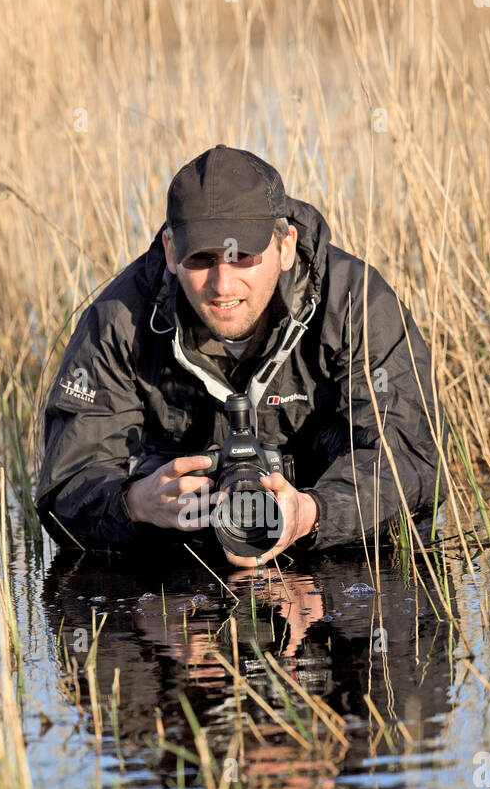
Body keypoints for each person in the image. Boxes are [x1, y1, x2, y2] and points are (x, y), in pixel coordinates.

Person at [35, 144, 442, 568]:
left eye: (242, 257)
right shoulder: (119, 320)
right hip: (181, 562)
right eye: (201, 259)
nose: (222, 285)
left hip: (336, 546)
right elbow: (68, 483)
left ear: (286, 247)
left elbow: (412, 457)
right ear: (171, 252)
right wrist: (138, 502)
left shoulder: (355, 303)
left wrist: (310, 512)